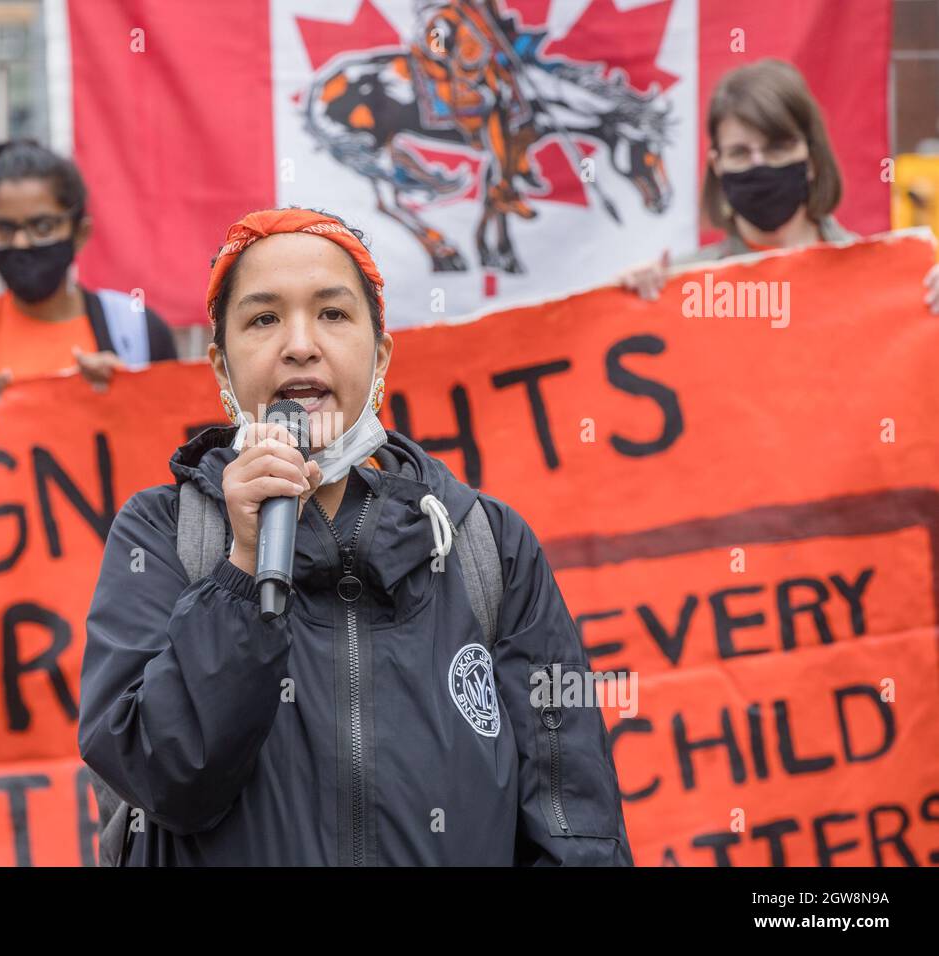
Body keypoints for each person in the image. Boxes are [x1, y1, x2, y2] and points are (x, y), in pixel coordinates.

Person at [77, 207, 634, 866]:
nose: (300, 344)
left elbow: (574, 819)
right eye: (263, 319)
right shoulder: (165, 536)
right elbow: (163, 781)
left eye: (333, 314)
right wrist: (242, 571)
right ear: (223, 370)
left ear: (381, 354)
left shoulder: (488, 544)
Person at [617, 58, 939, 311]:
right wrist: (627, 303)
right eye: (740, 153)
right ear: (717, 166)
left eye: (777, 148)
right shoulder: (684, 288)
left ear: (811, 159)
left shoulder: (881, 279)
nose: (760, 165)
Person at [0, 139, 177, 406]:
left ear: (80, 233)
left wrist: (136, 396)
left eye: (42, 227)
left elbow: (179, 438)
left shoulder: (139, 334)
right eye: (4, 229)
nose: (21, 243)